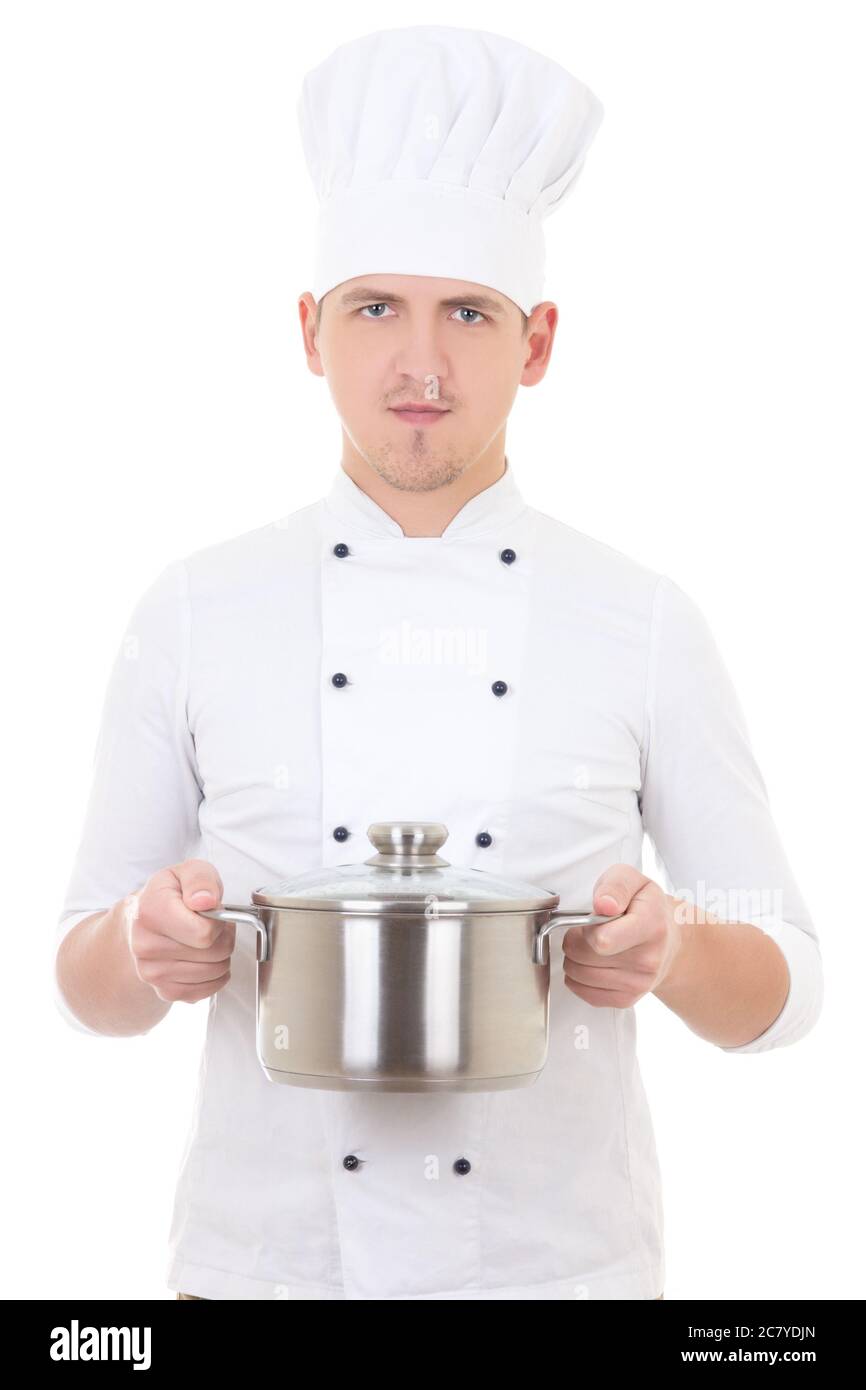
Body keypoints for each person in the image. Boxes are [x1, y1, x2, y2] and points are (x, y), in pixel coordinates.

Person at [54, 25, 822, 1302]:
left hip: (559, 1279)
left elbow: (781, 987)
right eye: (375, 309)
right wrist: (141, 947)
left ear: (536, 342)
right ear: (309, 329)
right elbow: (86, 977)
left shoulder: (640, 617)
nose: (420, 362)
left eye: (468, 311)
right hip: (261, 1277)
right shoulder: (192, 608)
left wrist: (676, 946)